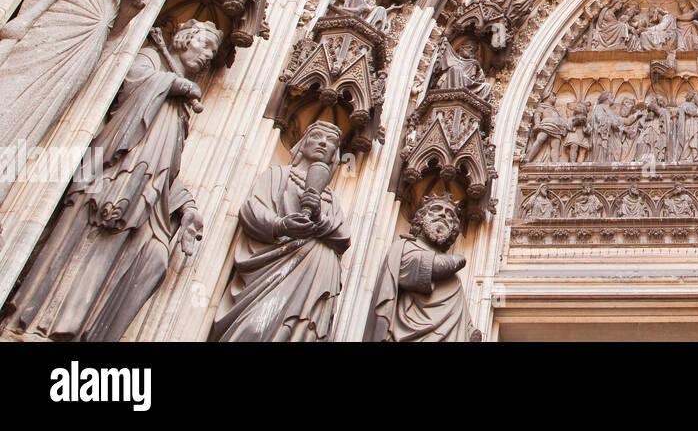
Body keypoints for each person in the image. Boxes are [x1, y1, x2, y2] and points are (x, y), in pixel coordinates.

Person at [10, 20, 220, 341]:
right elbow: (127, 86)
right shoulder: (152, 61)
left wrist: (187, 208)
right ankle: (37, 325)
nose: (208, 55)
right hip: (109, 173)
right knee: (85, 240)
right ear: (185, 39)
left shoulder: (179, 111)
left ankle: (87, 334)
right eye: (205, 44)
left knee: (154, 258)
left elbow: (166, 170)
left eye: (213, 52)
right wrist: (169, 84)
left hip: (144, 196)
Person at [0, 0, 184, 184]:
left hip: (92, 35)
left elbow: (116, 32)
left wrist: (130, 8)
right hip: (68, 11)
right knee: (19, 76)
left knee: (46, 102)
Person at [210, 121, 351, 341]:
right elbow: (252, 210)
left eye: (331, 140)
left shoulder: (331, 198)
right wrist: (281, 225)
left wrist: (319, 217)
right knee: (255, 328)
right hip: (274, 267)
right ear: (302, 144)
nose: (323, 142)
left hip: (317, 277)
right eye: (317, 136)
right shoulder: (278, 175)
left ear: (335, 153)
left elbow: (343, 236)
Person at [366, 193, 478, 342]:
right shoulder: (405, 247)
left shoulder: (454, 280)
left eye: (450, 216)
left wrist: (471, 333)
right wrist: (459, 259)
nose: (443, 215)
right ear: (421, 217)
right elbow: (435, 267)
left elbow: (465, 325)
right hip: (407, 334)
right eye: (436, 210)